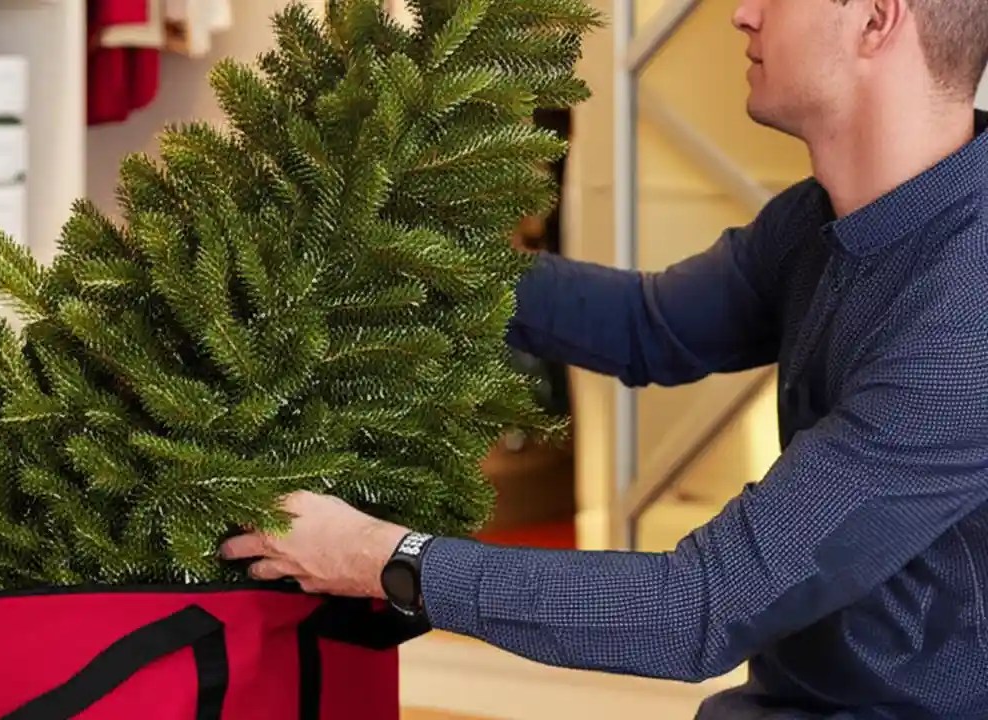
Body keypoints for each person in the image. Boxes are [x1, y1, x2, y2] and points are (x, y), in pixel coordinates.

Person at [220, 0, 988, 716]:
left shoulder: (966, 318)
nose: (743, 12)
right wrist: (405, 250)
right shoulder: (819, 218)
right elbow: (650, 327)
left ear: (877, 19)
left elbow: (699, 608)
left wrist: (377, 558)